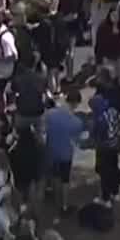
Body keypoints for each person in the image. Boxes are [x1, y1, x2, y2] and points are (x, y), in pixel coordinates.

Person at [43, 89, 85, 217]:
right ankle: (64, 205)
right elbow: (78, 141)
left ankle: (55, 198)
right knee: (65, 179)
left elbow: (44, 130)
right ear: (76, 104)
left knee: (54, 175)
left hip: (51, 150)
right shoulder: (77, 122)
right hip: (66, 153)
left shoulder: (50, 114)